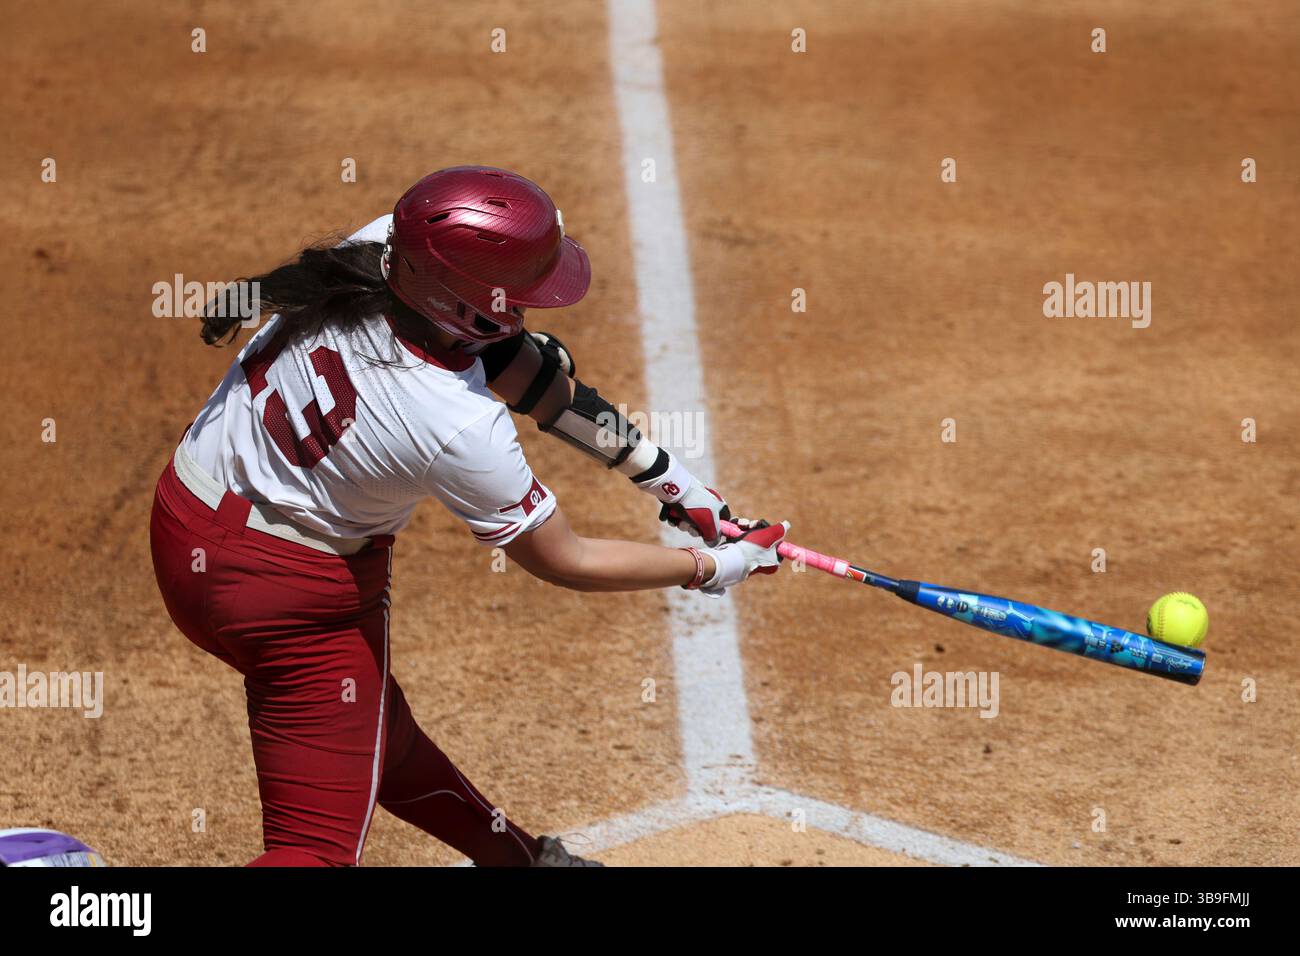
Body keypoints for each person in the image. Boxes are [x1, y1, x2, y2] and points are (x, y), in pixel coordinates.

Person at [149, 165, 788, 867]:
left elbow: (528, 374)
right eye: (519, 299)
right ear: (471, 307)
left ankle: (520, 862)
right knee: (314, 855)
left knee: (367, 731)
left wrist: (671, 483)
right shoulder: (456, 424)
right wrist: (713, 566)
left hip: (187, 522)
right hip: (289, 597)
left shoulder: (385, 255)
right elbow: (563, 558)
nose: (532, 309)